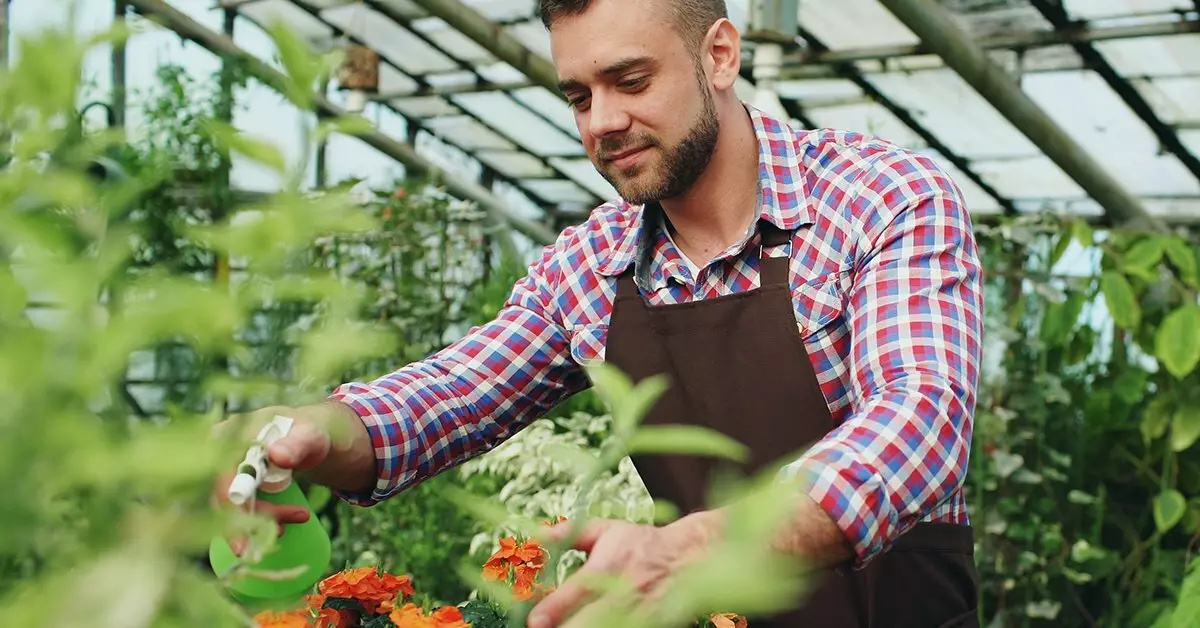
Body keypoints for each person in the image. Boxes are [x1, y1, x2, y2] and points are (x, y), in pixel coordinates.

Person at [214, 0, 985, 625]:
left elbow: (921, 421)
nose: (601, 122)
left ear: (719, 55)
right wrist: (302, 432)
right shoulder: (591, 264)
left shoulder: (880, 198)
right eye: (579, 95)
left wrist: (693, 550)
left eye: (630, 80)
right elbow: (445, 398)